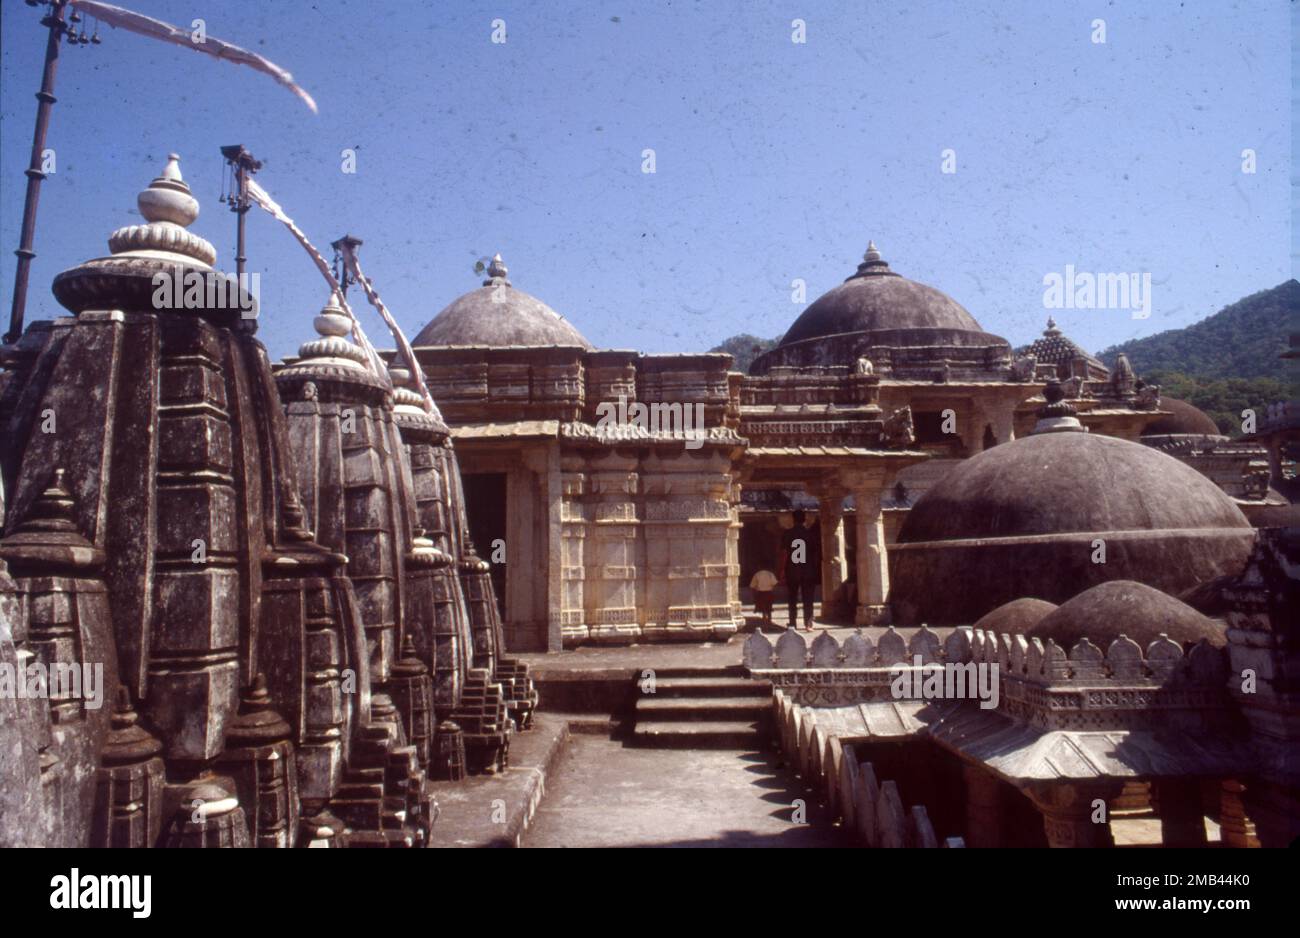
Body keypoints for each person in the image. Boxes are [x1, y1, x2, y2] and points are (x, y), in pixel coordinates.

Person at [779, 509, 818, 630]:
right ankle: (808, 623)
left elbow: (784, 553)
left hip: (792, 569)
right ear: (804, 519)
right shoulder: (810, 534)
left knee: (792, 597)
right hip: (807, 569)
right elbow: (815, 553)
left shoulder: (788, 533)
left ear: (793, 519)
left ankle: (792, 623)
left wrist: (782, 570)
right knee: (808, 598)